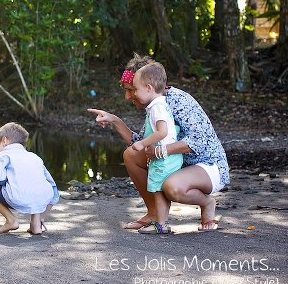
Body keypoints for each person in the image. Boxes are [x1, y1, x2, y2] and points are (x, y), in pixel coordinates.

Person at [88, 54, 230, 233]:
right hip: (177, 163)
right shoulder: (154, 104)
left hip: (207, 166)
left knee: (172, 187)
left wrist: (160, 152)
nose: (127, 96)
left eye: (131, 90)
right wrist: (115, 120)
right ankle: (154, 215)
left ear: (148, 87)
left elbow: (198, 141)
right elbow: (140, 144)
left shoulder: (177, 100)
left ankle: (207, 203)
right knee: (131, 154)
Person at [127, 62, 183, 234]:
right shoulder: (157, 106)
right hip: (163, 156)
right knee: (158, 188)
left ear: (149, 88)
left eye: (135, 89)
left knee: (156, 189)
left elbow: (162, 132)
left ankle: (160, 224)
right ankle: (161, 222)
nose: (133, 94)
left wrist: (143, 143)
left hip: (163, 157)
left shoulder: (157, 107)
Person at [0, 122, 60, 235]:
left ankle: (11, 221)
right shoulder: (34, 157)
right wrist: (43, 214)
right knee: (35, 184)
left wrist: (10, 180)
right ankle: (36, 225)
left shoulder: (2, 156)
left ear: (4, 141)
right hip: (42, 200)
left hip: (18, 198)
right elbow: (52, 186)